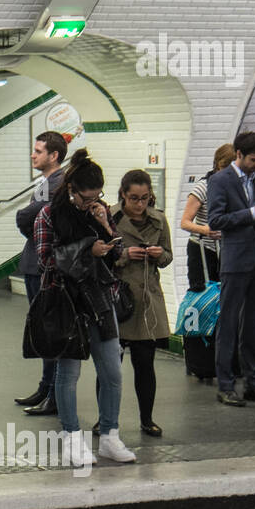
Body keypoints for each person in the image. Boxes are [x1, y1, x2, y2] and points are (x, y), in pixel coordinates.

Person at [34, 149, 134, 465]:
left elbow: (119, 256)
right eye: (84, 197)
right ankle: (72, 439)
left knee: (113, 372)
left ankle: (110, 436)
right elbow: (46, 260)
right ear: (71, 189)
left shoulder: (100, 211)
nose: (90, 202)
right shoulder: (49, 215)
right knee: (69, 372)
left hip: (100, 299)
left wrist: (106, 226)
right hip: (65, 300)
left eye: (97, 196)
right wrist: (86, 249)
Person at [207, 131, 255, 408]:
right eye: (253, 160)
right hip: (235, 262)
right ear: (238, 154)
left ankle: (252, 383)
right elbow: (215, 220)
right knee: (229, 323)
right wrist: (252, 214)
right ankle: (225, 385)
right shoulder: (219, 180)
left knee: (253, 324)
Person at [110, 170, 173, 438]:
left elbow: (169, 256)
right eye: (133, 198)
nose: (139, 204)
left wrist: (160, 255)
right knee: (110, 366)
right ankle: (106, 419)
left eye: (144, 198)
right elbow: (96, 255)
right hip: (118, 299)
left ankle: (147, 419)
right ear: (123, 194)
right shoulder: (109, 218)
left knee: (145, 364)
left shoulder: (159, 220)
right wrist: (123, 255)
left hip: (147, 300)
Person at [15, 131, 67, 416]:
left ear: (53, 155)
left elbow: (28, 215)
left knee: (48, 330)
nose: (33, 155)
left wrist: (33, 228)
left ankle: (53, 393)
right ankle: (46, 387)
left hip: (43, 265)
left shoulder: (57, 183)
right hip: (37, 263)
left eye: (38, 151)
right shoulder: (48, 182)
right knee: (43, 329)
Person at [180, 143, 234, 293]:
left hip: (226, 249)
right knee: (203, 295)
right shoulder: (203, 186)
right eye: (224, 168)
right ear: (217, 165)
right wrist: (204, 229)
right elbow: (184, 222)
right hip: (202, 248)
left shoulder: (236, 188)